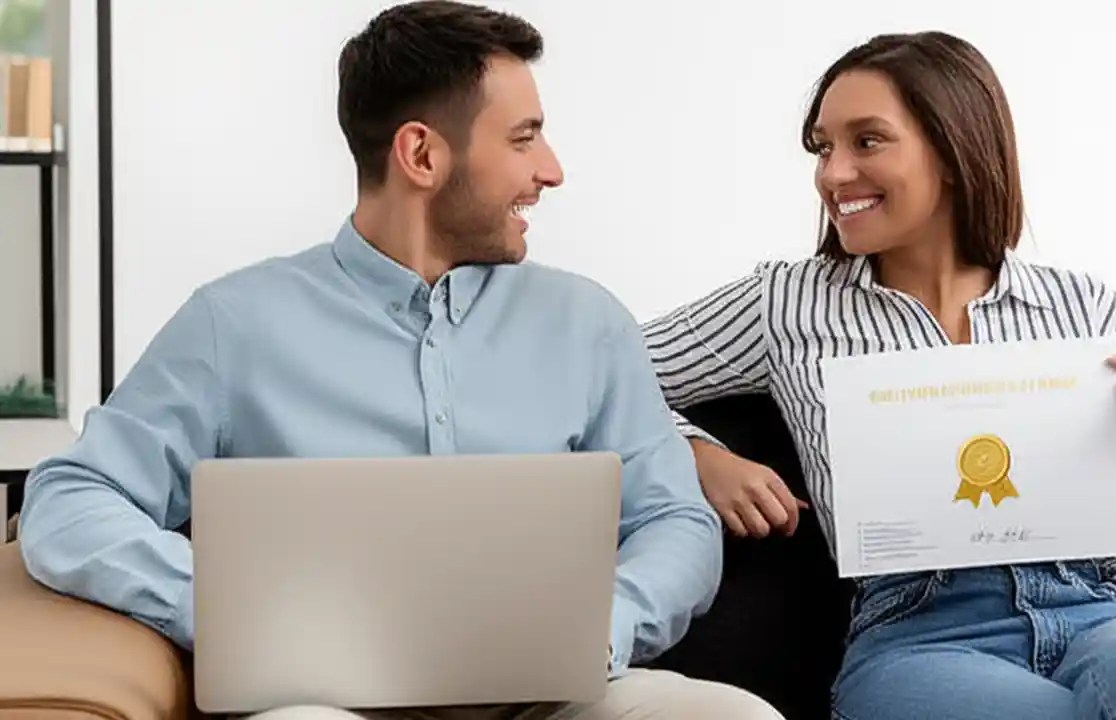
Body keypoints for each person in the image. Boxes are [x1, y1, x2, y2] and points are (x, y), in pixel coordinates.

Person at [16, 3, 783, 719]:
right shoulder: (234, 323)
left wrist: (608, 623)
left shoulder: (587, 324)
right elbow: (72, 496)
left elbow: (674, 519)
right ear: (421, 153)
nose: (549, 170)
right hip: (323, 701)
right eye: (523, 139)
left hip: (551, 698)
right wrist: (225, 608)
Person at [642, 31, 1116, 720]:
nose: (832, 173)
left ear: (952, 147)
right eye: (823, 147)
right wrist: (698, 455)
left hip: (1091, 612)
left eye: (867, 141)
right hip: (918, 631)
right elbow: (593, 378)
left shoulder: (1082, 305)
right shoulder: (785, 302)